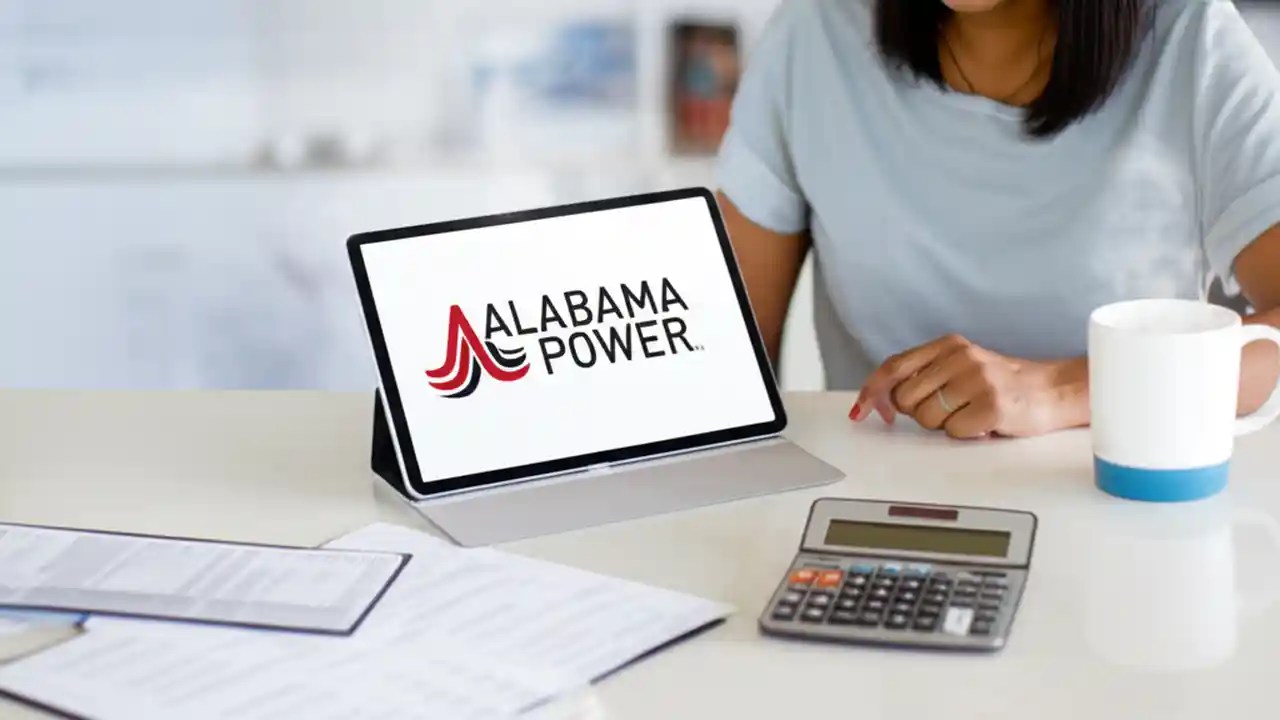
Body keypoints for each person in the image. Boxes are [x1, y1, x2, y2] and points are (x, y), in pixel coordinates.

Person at [717, 0, 1280, 438]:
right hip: (869, 512)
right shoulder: (815, 30)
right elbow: (720, 367)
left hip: (1119, 509)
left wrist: (1060, 392)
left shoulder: (1193, 39)